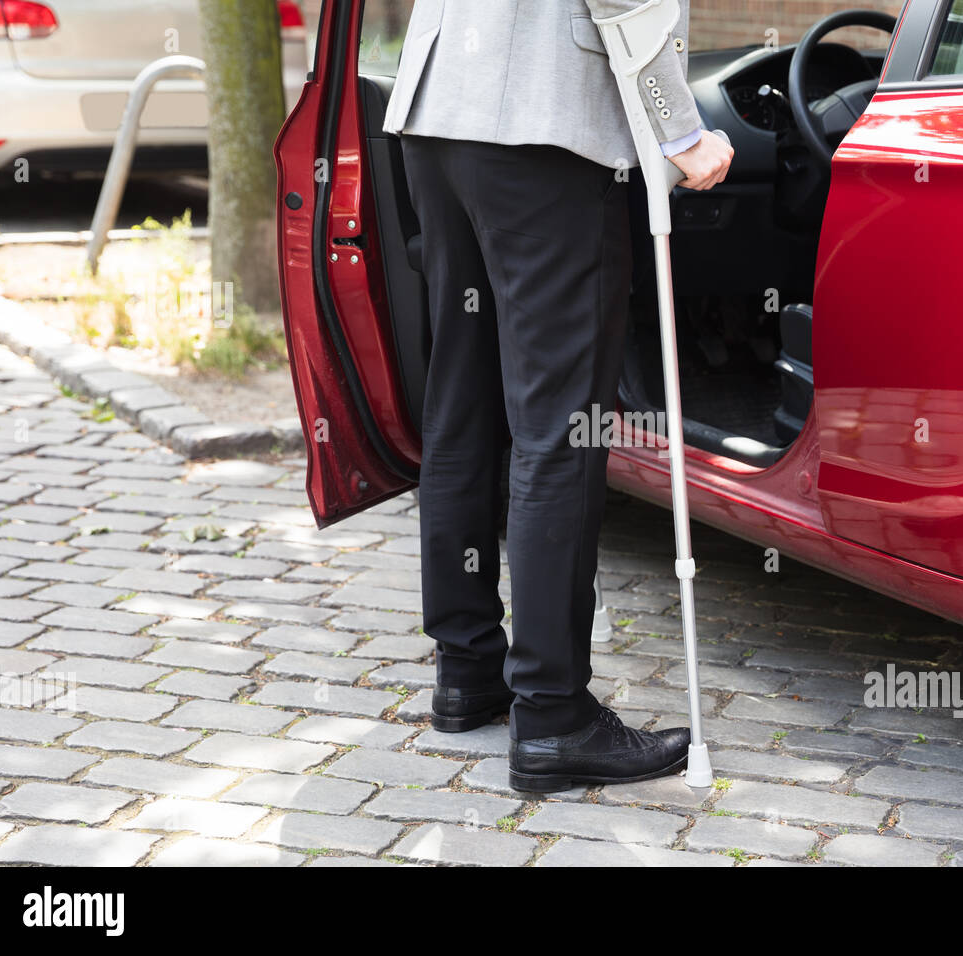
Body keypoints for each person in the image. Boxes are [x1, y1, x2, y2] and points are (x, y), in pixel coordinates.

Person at [382, 0, 733, 793]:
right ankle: (551, 717)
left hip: (440, 112)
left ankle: (468, 670)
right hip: (544, 127)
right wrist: (683, 132)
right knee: (559, 427)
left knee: (462, 403)